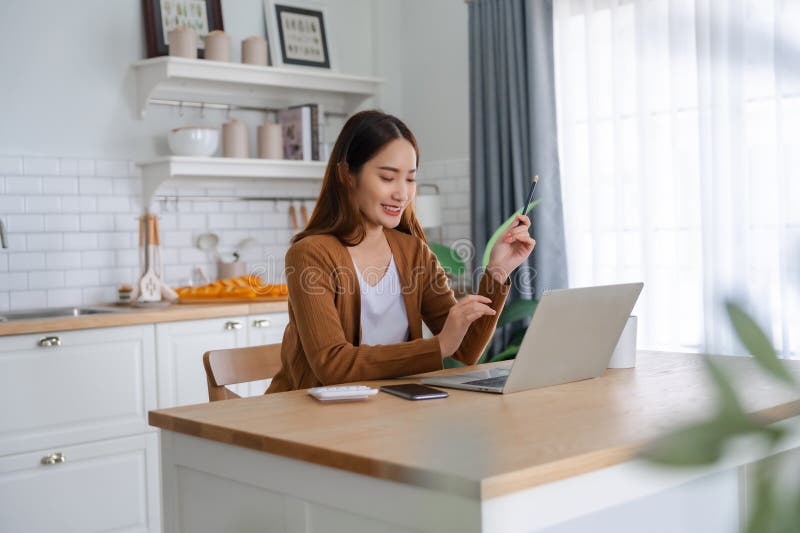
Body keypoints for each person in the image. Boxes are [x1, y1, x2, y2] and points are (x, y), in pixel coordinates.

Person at [265, 110, 535, 392]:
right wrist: (438, 345)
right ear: (347, 175)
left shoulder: (413, 251)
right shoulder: (310, 254)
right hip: (309, 415)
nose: (402, 194)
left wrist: (497, 272)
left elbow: (464, 350)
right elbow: (333, 365)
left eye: (410, 179)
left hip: (390, 410)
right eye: (387, 177)